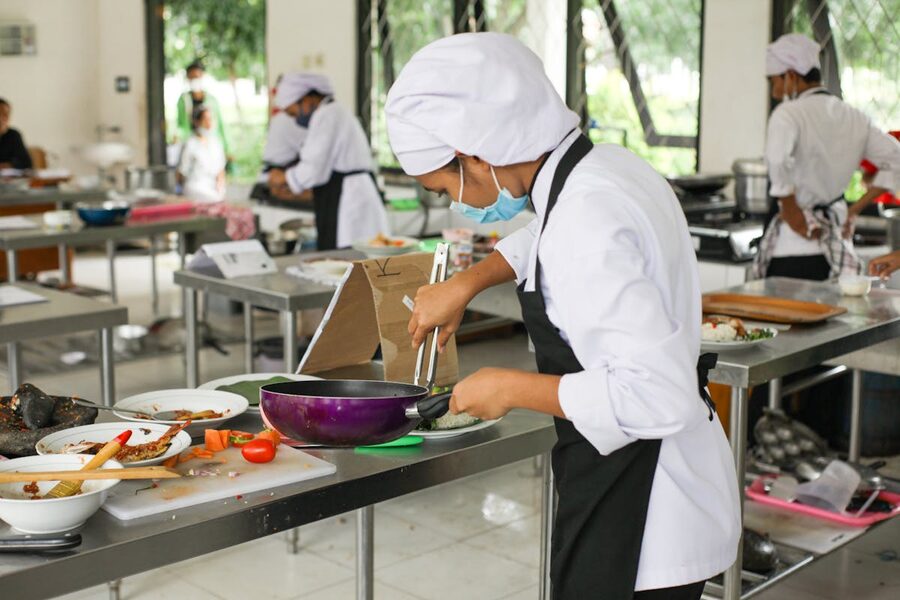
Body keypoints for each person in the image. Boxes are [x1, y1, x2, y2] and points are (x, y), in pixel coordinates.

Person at [386, 33, 740, 600]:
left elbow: (656, 396)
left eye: (448, 183)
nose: (459, 200)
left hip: (641, 511)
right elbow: (544, 240)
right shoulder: (604, 170)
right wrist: (465, 283)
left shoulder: (585, 215)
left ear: (478, 152)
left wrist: (509, 387)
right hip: (655, 485)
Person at [754, 34, 900, 281]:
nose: (776, 92)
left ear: (791, 75)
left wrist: (791, 211)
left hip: (793, 246)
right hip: (837, 241)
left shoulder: (788, 114)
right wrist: (855, 209)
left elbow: (778, 162)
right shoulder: (853, 116)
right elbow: (897, 156)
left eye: (774, 81)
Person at [267, 73, 388, 250]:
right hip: (348, 195)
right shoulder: (335, 112)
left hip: (349, 200)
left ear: (307, 101)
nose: (295, 119)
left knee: (347, 260)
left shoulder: (327, 115)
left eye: (293, 113)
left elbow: (313, 170)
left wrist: (283, 178)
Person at [175, 61, 231, 163]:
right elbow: (181, 125)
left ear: (202, 76)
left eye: (197, 76)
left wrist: (227, 149)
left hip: (210, 145)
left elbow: (220, 126)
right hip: (191, 144)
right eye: (191, 77)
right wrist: (177, 136)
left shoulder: (212, 100)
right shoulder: (183, 100)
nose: (194, 80)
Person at [177, 105, 226, 203]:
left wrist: (220, 187)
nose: (209, 123)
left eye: (210, 119)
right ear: (196, 122)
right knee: (214, 199)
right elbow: (181, 172)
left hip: (213, 187)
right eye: (205, 119)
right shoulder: (190, 144)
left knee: (219, 198)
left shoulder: (216, 143)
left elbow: (221, 170)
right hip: (195, 186)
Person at [0, 98, 33, 170]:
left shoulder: (14, 135)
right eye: (0, 114)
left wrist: (9, 165)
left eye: (6, 115)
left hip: (10, 179)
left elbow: (27, 163)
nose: (2, 119)